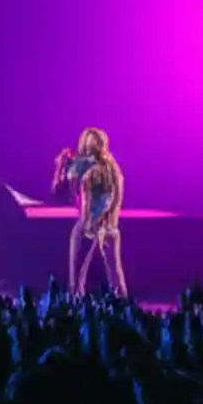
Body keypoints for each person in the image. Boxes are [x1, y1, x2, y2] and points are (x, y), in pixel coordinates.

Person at [53, 127, 126, 296]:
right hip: (109, 227)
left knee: (77, 279)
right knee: (116, 276)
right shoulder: (112, 168)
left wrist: (60, 167)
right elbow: (114, 198)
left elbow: (59, 191)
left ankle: (77, 310)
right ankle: (124, 309)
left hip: (88, 226)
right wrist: (108, 220)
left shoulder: (83, 167)